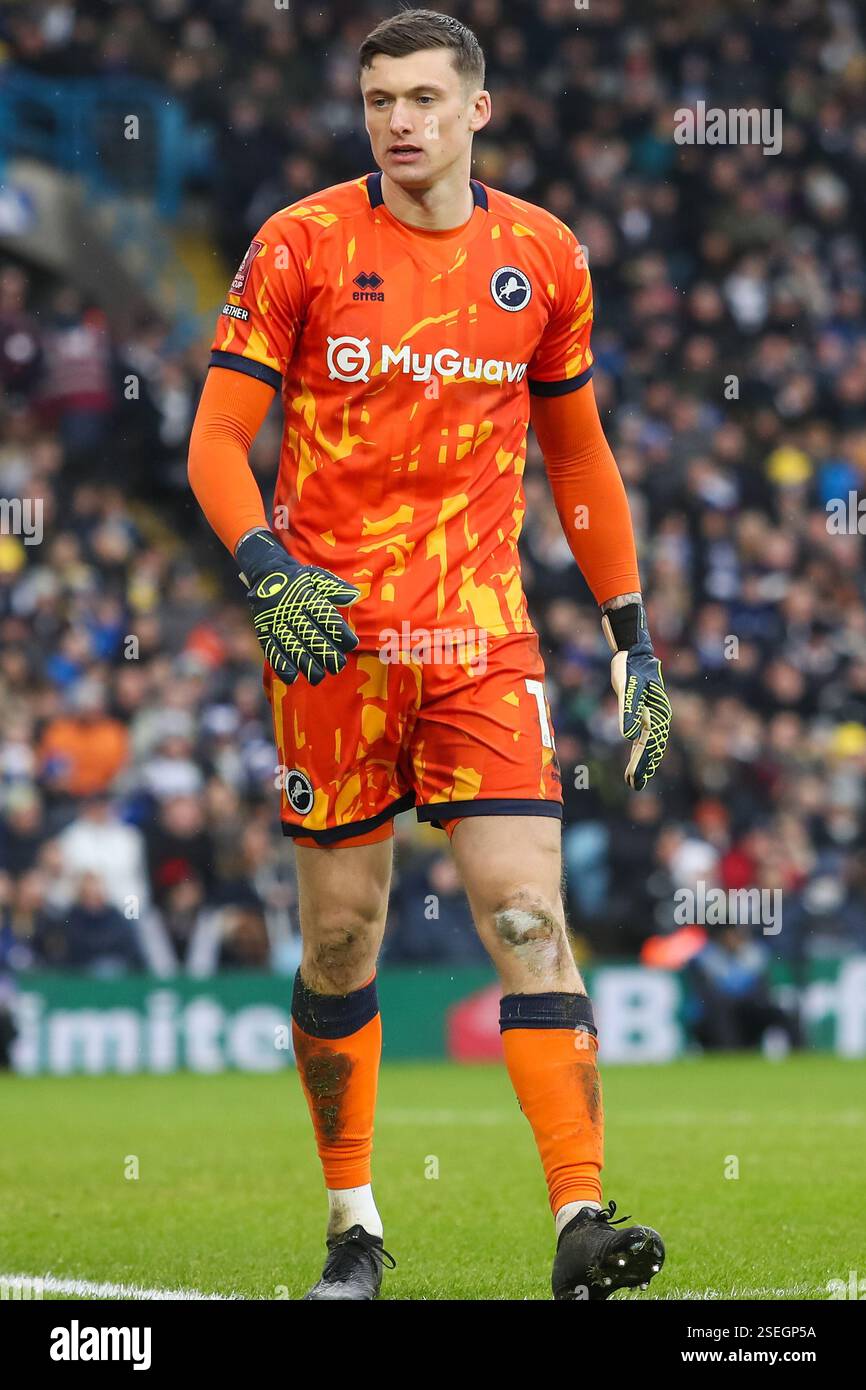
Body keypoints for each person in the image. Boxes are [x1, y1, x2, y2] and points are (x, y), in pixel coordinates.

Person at [188, 7, 671, 1302]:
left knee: (525, 915)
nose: (397, 121)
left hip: (478, 640)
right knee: (343, 942)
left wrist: (631, 635)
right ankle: (353, 1224)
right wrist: (267, 567)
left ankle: (581, 1215)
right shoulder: (299, 243)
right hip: (332, 642)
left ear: (476, 110)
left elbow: (579, 457)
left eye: (421, 98)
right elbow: (215, 442)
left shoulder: (544, 257)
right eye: (377, 100)